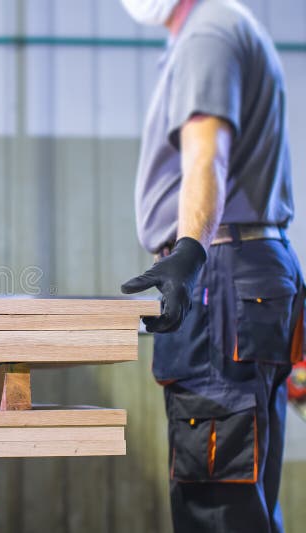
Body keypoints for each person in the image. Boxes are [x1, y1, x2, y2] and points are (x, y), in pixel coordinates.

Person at [119, 0, 305, 531]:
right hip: (238, 272)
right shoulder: (214, 31)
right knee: (239, 498)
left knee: (218, 506)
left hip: (221, 275)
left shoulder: (209, 34)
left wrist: (188, 253)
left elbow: (207, 156)